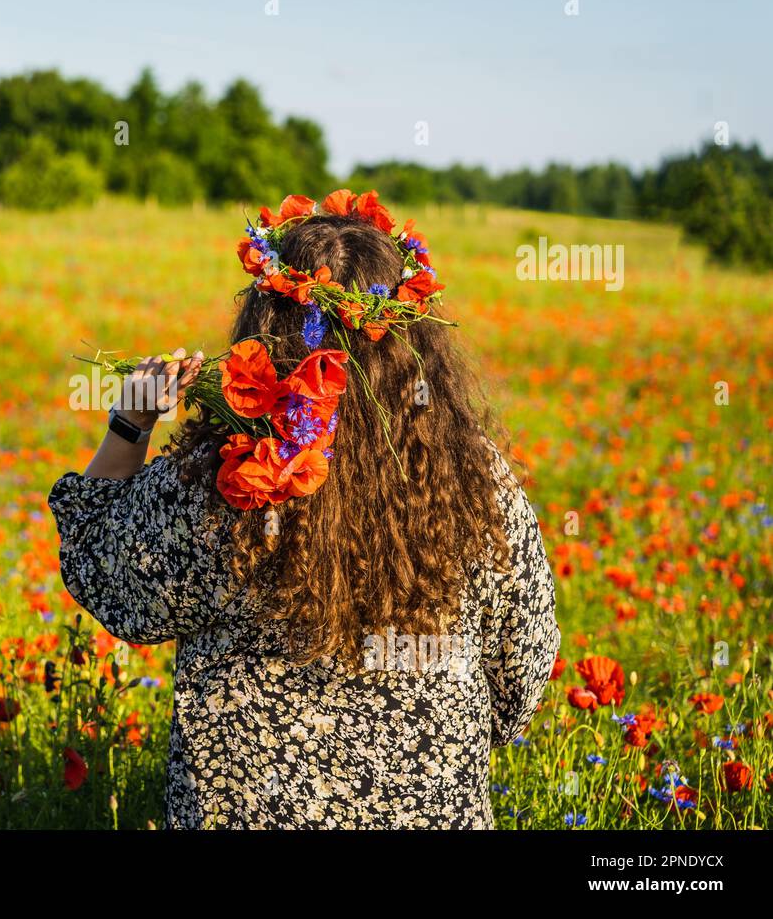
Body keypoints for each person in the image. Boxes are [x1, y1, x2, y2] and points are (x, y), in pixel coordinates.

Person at [48, 191, 560, 828]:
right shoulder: (476, 477)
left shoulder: (231, 477)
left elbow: (102, 570)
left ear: (264, 324)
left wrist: (128, 425)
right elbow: (522, 669)